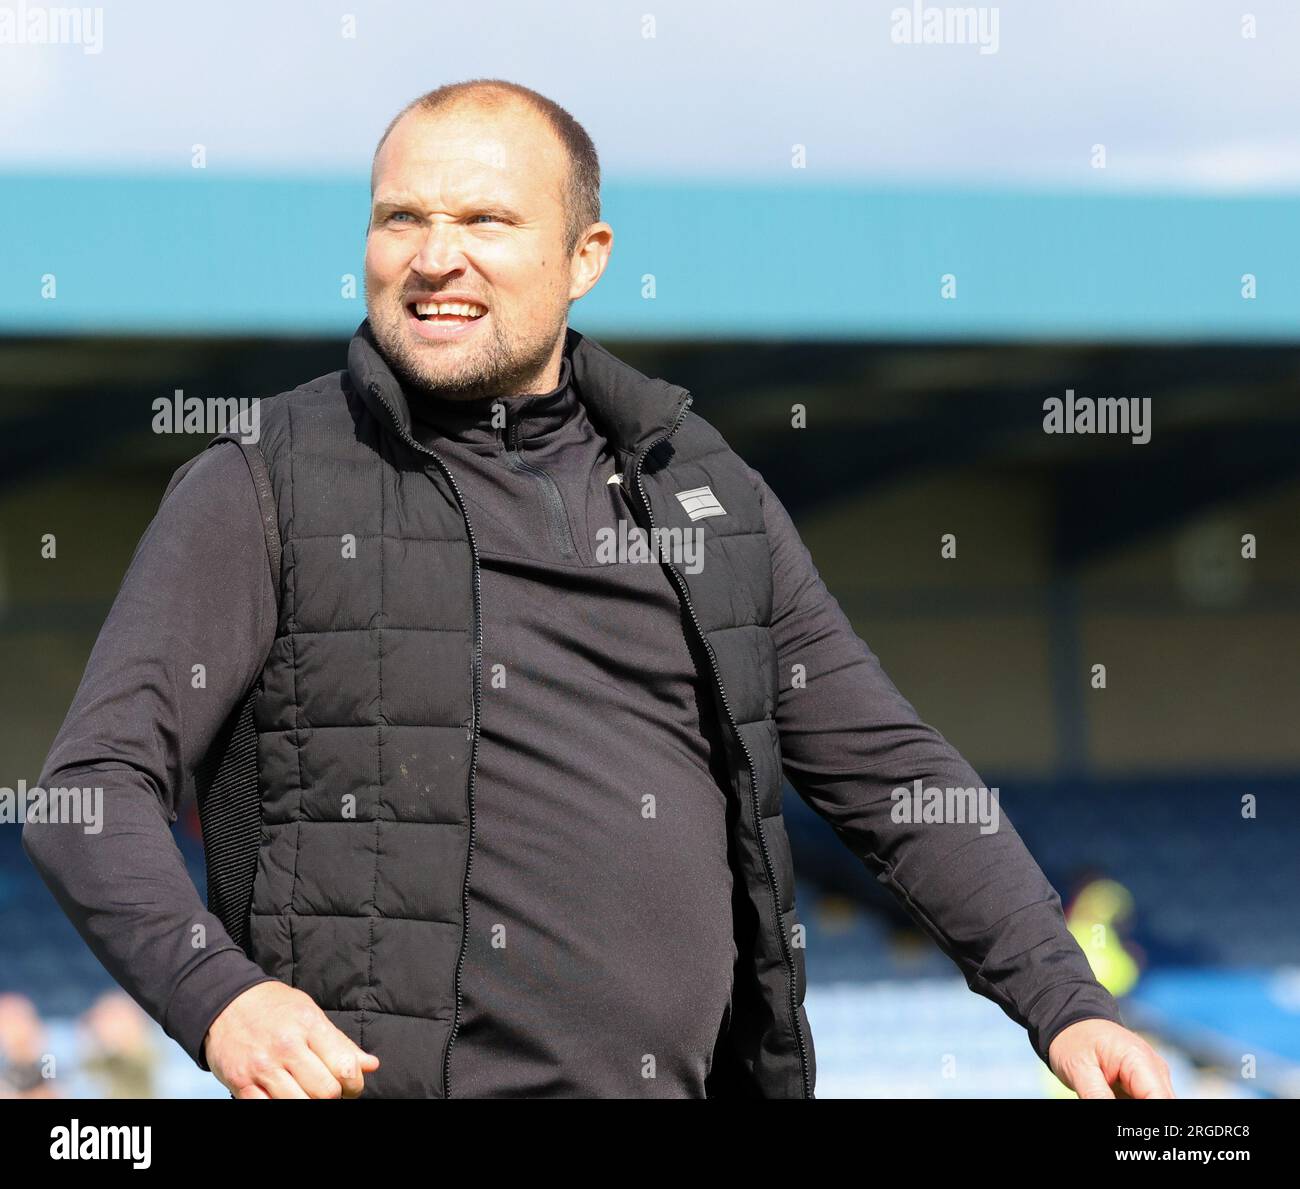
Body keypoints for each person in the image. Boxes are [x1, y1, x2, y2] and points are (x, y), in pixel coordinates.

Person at [23, 78, 1172, 1100]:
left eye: (484, 219)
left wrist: (1064, 1000)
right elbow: (92, 786)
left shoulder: (703, 492)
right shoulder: (258, 482)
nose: (433, 257)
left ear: (587, 255)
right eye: (399, 218)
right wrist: (221, 997)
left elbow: (889, 777)